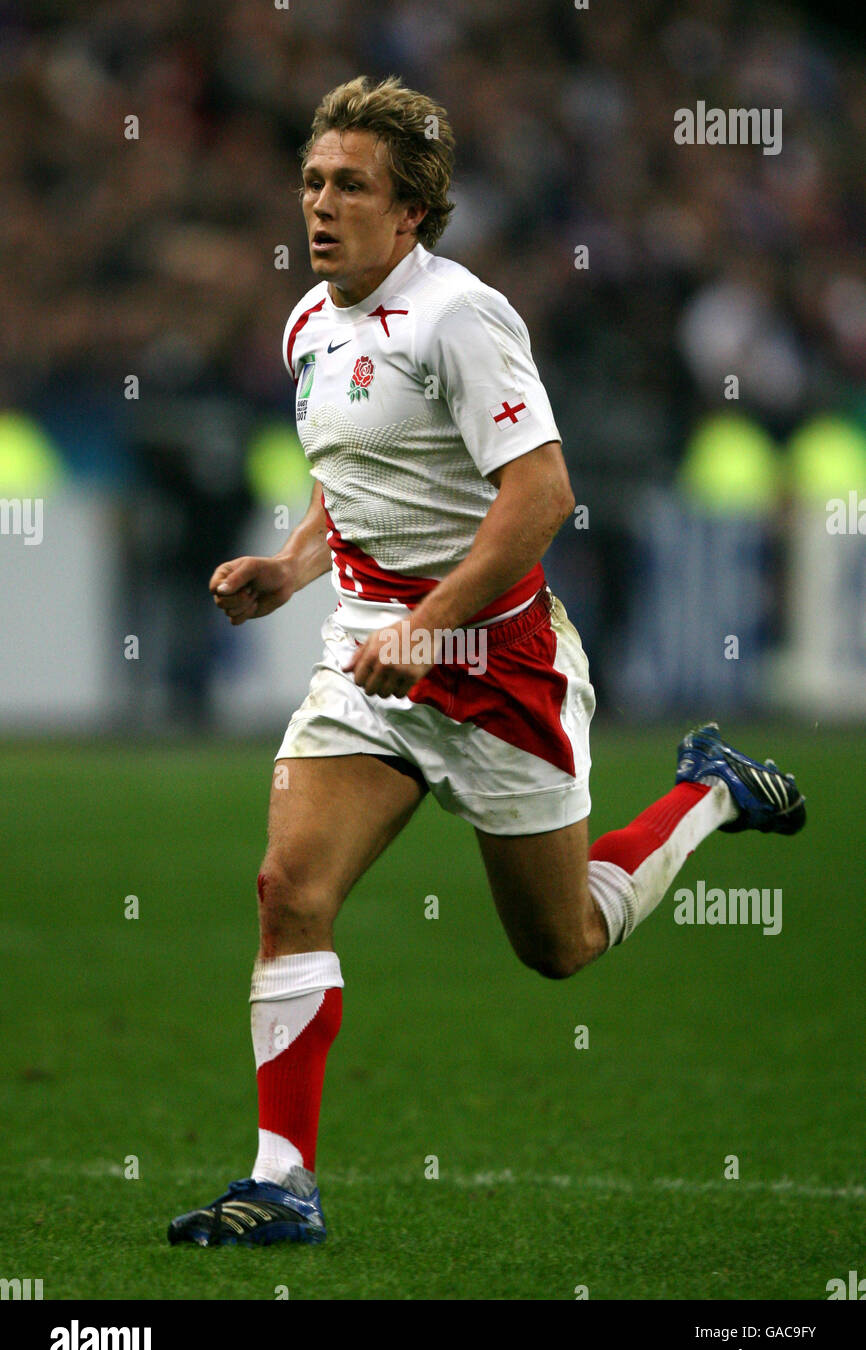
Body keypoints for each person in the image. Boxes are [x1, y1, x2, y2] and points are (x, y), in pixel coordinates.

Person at [168, 76, 805, 1248]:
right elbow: (348, 479)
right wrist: (293, 567)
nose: (319, 206)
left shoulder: (460, 318)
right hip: (367, 665)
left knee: (559, 946)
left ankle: (708, 788)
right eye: (311, 181)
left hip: (495, 666)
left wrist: (431, 628)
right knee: (287, 890)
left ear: (409, 212)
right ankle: (279, 1184)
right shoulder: (310, 323)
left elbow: (540, 493)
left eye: (350, 186)